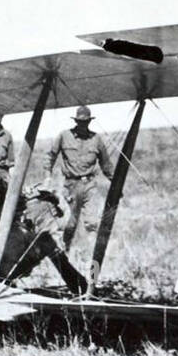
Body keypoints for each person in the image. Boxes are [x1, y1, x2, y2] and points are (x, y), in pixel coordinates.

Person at [45, 105, 115, 249]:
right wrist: (47, 178)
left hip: (90, 185)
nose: (83, 125)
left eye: (86, 122)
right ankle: (64, 251)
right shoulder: (64, 136)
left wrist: (115, 184)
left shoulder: (96, 139)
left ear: (89, 122)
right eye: (80, 122)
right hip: (70, 186)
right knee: (69, 223)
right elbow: (50, 156)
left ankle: (91, 256)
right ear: (76, 121)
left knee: (92, 223)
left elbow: (106, 164)